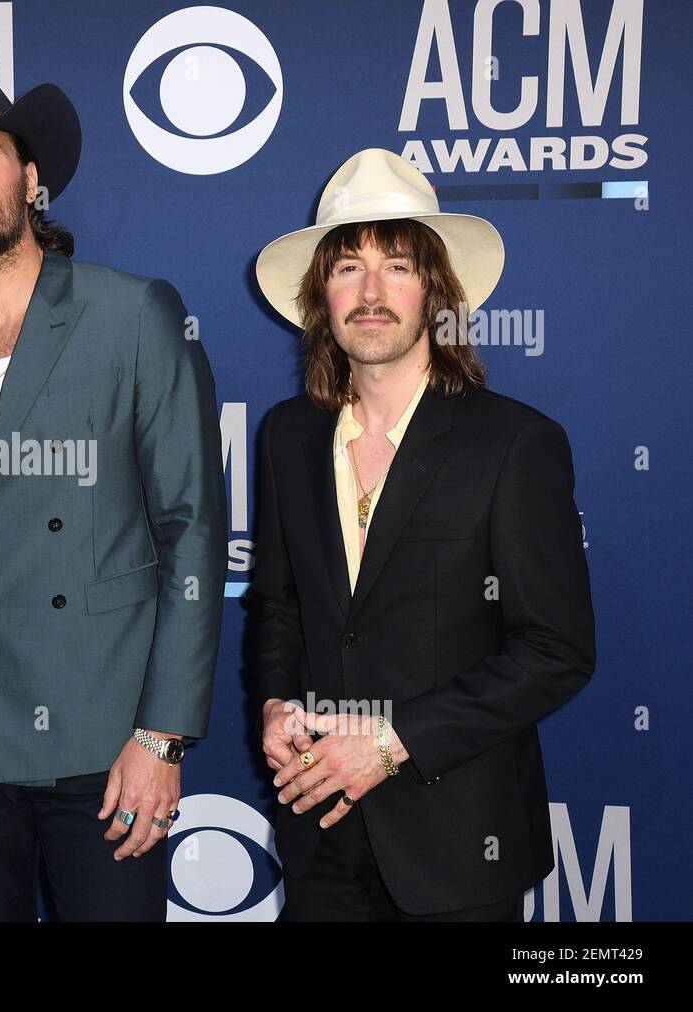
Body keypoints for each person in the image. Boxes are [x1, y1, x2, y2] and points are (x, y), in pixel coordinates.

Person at [0, 41, 227, 921]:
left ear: (29, 179)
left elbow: (192, 532)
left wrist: (162, 737)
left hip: (107, 741)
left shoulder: (132, 316)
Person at [250, 148, 595, 921]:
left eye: (397, 266)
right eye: (347, 268)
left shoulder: (513, 444)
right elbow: (275, 604)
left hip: (459, 846)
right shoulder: (287, 437)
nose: (370, 293)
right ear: (319, 295)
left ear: (437, 292)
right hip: (321, 832)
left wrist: (390, 741)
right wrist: (274, 705)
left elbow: (556, 651)